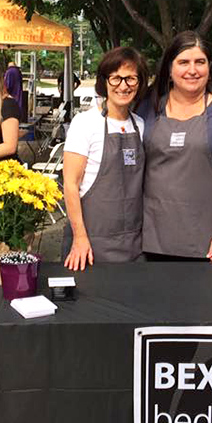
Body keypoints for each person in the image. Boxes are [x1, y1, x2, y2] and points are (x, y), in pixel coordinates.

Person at [138, 31, 212, 262]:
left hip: (209, 247)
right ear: (169, 69)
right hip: (150, 244)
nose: (192, 70)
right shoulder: (147, 108)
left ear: (209, 67)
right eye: (183, 62)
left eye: (200, 62)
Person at [62, 46, 149, 270]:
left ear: (139, 83)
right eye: (116, 78)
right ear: (105, 81)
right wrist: (80, 238)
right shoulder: (85, 123)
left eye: (130, 78)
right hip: (91, 244)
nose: (123, 86)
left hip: (134, 244)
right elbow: (70, 185)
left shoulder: (140, 125)